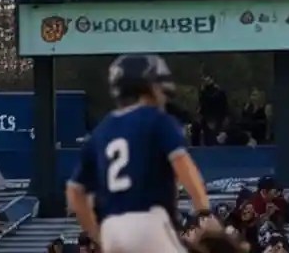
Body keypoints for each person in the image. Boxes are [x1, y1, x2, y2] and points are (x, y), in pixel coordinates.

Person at [66, 54, 212, 253]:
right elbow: (182, 163)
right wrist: (204, 210)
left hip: (111, 228)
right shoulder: (157, 119)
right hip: (148, 220)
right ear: (146, 86)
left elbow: (74, 192)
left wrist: (97, 234)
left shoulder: (101, 131)